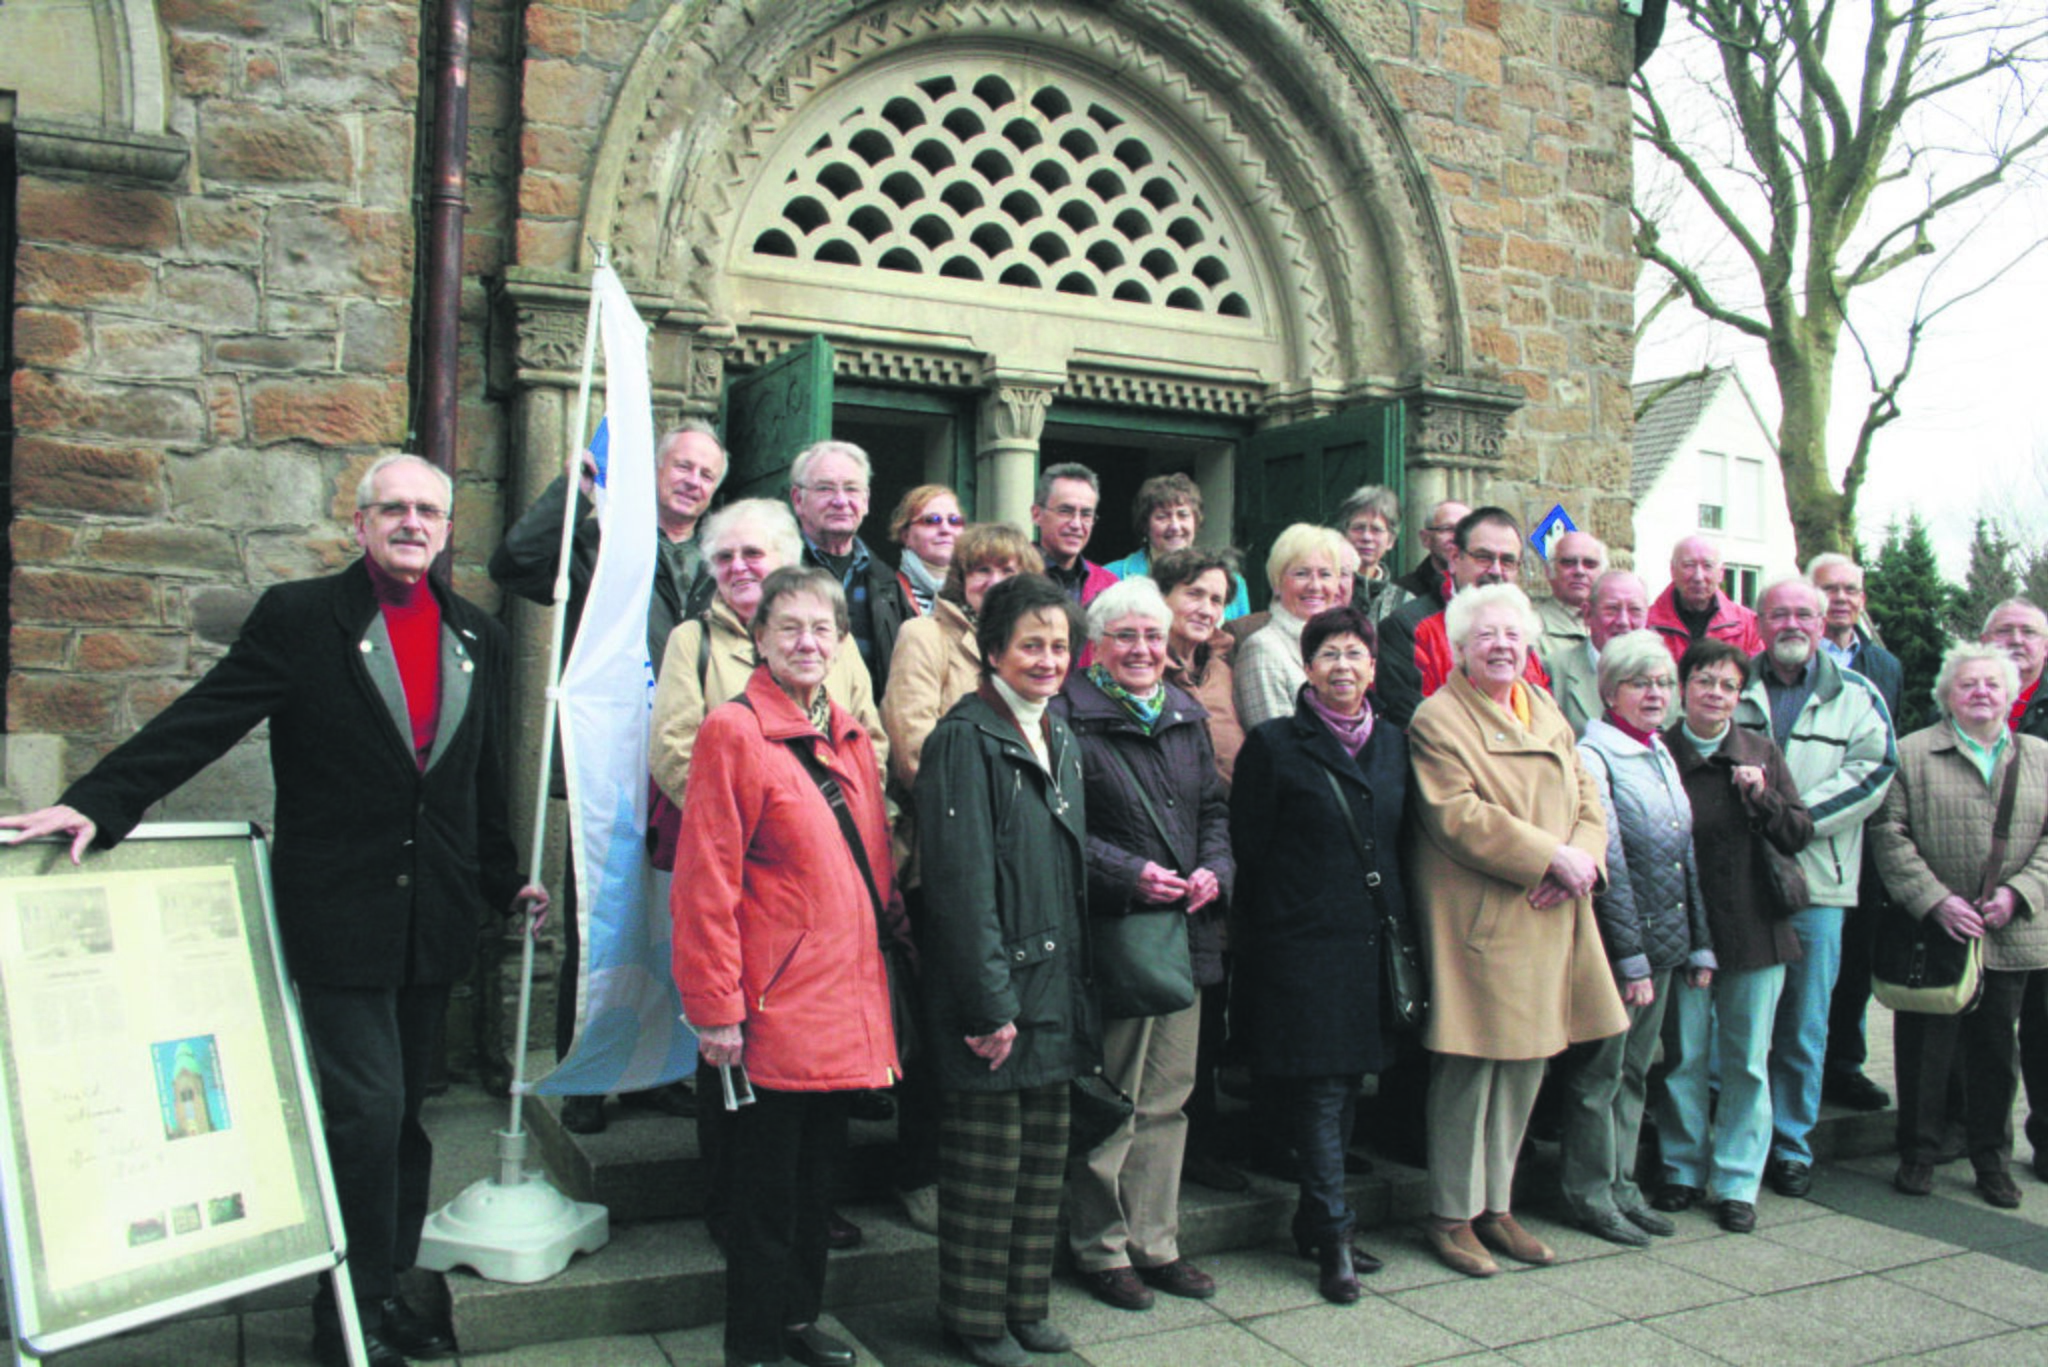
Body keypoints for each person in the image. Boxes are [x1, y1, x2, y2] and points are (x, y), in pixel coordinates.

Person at [1, 454, 548, 1367]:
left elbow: (479, 778)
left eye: (429, 510)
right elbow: (206, 716)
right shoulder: (302, 620)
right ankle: (344, 1313)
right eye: (394, 508)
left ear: (449, 528)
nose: (412, 522)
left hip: (434, 921)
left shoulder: (477, 637)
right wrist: (99, 801)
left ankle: (382, 1289)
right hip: (337, 913)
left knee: (408, 1115)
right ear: (361, 522)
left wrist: (505, 878)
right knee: (366, 1112)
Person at [671, 566, 905, 1367]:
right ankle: (754, 1346)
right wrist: (715, 1006)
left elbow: (871, 866)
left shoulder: (845, 733)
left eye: (823, 628)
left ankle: (798, 1323)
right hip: (770, 1006)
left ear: (842, 641)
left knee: (816, 1190)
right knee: (764, 1197)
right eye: (790, 628)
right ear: (760, 640)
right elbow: (706, 879)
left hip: (843, 999)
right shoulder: (733, 731)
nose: (808, 641)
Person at [648, 498, 886, 1252]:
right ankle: (734, 1211)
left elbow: (864, 736)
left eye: (756, 553)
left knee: (808, 1116)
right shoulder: (693, 641)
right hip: (748, 875)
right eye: (726, 557)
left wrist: (822, 824)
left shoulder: (824, 634)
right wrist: (760, 810)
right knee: (735, 1073)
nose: (741, 567)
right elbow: (678, 746)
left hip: (823, 879)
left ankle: (794, 1227)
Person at [489, 422, 726, 1125]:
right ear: (653, 470)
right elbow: (514, 563)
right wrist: (576, 488)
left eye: (706, 473)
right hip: (612, 763)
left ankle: (655, 1070)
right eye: (681, 466)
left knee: (673, 924)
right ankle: (589, 1077)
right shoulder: (603, 540)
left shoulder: (721, 559)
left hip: (685, 767)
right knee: (602, 918)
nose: (693, 480)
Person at [1406, 582, 1625, 1278]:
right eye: (1487, 635)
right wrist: (1548, 857)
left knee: (1527, 1064)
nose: (1502, 645)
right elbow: (1459, 816)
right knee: (1471, 1070)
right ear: (1460, 647)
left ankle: (1495, 1205)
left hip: (1553, 907)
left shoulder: (1545, 706)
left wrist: (1582, 859)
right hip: (1488, 917)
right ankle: (1449, 1214)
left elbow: (1588, 795)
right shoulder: (1438, 719)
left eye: (1513, 634)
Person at [916, 574, 1097, 1367]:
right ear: (992, 650)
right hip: (994, 993)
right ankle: (975, 1319)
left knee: (1040, 1164)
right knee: (987, 1173)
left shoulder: (1059, 734)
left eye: (1059, 644)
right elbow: (958, 886)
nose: (1048, 659)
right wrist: (990, 1005)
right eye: (1031, 644)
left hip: (1053, 988)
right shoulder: (963, 737)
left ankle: (1026, 1305)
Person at [1059, 579, 1233, 1311]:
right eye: (1125, 636)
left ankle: (1154, 1241)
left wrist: (1215, 870)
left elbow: (1216, 809)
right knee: (1116, 1100)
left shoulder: (1187, 713)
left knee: (1169, 1097)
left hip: (1186, 933)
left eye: (1153, 636)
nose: (1141, 649)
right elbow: (1061, 821)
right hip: (1122, 935)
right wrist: (1129, 874)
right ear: (1097, 644)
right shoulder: (1071, 716)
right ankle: (1098, 1247)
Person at [1231, 604, 1411, 1304]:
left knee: (1345, 1090)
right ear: (1306, 667)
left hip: (1370, 941)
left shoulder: (1394, 742)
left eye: (1355, 654)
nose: (1343, 666)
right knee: (1321, 1089)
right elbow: (1252, 846)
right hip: (1301, 946)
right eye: (1328, 653)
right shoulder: (1275, 744)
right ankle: (1333, 1234)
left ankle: (1317, 1220)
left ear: (1373, 666)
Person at [880, 522, 1042, 1232]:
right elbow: (911, 744)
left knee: (1002, 1018)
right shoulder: (926, 636)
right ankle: (917, 1169)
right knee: (945, 1017)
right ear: (959, 579)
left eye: (1010, 568)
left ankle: (983, 1171)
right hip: (945, 854)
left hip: (1022, 866)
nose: (994, 579)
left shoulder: (1036, 641)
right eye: (981, 569)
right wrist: (992, 802)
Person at [1871, 642, 2048, 1209]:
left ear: (2013, 692)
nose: (1981, 693)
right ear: (1947, 695)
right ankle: (1918, 1154)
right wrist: (1935, 901)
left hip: (2008, 932)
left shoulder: (2040, 757)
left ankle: (1990, 1160)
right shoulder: (1911, 753)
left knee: (1996, 1053)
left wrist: (2019, 895)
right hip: (1934, 931)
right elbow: (1888, 835)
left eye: (1993, 684)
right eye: (1968, 684)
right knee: (1926, 1046)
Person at [1735, 575, 1896, 1200]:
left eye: (1805, 613)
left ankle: (1793, 1144)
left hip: (1818, 886)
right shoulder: (1730, 684)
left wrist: (1788, 819)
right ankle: (1739, 1139)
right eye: (1779, 614)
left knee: (1804, 1024)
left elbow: (1874, 772)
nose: (1793, 624)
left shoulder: (1858, 696)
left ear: (1824, 619)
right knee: (1742, 1023)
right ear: (1760, 621)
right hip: (1740, 885)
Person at [1557, 630, 1712, 1247]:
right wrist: (1630, 957)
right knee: (1600, 1074)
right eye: (1640, 682)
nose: (1655, 694)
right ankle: (1588, 1193)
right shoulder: (1595, 756)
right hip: (1622, 950)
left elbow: (1683, 854)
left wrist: (1698, 941)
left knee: (1636, 1074)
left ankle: (1624, 1187)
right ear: (1608, 690)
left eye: (1664, 683)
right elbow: (1610, 865)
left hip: (1665, 946)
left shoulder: (1659, 752)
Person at [1653, 637, 1812, 1234]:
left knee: (1746, 1059)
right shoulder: (1660, 751)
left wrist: (1760, 793)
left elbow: (1799, 832)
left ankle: (1738, 1180)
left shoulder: (1761, 751)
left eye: (1728, 686)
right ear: (1682, 686)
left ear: (1739, 696)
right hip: (1683, 926)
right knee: (1684, 1056)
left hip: (1753, 926)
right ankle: (1681, 1168)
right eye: (1704, 682)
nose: (1715, 695)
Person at [1151, 547, 1249, 1192]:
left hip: (1224, 851)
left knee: (1212, 1008)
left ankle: (1202, 1142)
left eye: (1215, 598)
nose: (1204, 607)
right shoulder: (1140, 663)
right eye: (1192, 592)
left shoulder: (1223, 669)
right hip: (1161, 855)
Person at [1808, 552, 1905, 1116]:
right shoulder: (1786, 659)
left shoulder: (1884, 665)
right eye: (1830, 589)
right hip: (1803, 826)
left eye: (1851, 589)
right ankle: (1794, 1062)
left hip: (1862, 831)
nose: (1841, 598)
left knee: (1857, 952)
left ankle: (1843, 1063)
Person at [1376, 507, 1550, 730]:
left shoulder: (1522, 633)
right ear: (1455, 558)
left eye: (1507, 561)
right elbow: (1414, 724)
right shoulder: (1409, 627)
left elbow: (1544, 716)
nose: (1496, 570)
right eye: (1484, 557)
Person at [790, 440, 908, 695]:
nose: (841, 501)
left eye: (852, 489)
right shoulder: (778, 573)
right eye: (825, 489)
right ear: (798, 500)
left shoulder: (887, 582)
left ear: (865, 501)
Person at [1232, 524, 1358, 730]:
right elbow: (1275, 749)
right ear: (1276, 584)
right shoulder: (1263, 650)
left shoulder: (1342, 645)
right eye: (1301, 574)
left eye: (1325, 574)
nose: (1315, 586)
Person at [1100, 473, 1252, 619]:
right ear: (1145, 525)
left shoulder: (1231, 581)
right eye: (1162, 516)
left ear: (1196, 521)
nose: (1175, 526)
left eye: (1183, 515)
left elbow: (1239, 639)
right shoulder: (1110, 576)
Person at [1550, 570, 1649, 738]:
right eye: (1612, 609)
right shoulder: (1553, 671)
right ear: (1588, 614)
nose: (1623, 621)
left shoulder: (1665, 675)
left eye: (1634, 610)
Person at [1647, 535, 1763, 662]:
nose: (1698, 577)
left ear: (1721, 573)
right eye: (1689, 565)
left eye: (1707, 566)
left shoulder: (1749, 627)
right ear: (1672, 570)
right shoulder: (1647, 624)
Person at [1029, 462, 1116, 606]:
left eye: (1086, 514)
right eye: (1065, 511)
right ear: (1037, 514)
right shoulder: (1012, 574)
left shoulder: (1109, 585)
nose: (1076, 524)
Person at [1333, 484, 1412, 622]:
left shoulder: (1405, 602)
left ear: (1391, 541)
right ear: (1344, 535)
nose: (1367, 537)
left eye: (1376, 529)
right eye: (1358, 528)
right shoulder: (1326, 590)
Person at [889, 484, 964, 618]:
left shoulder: (976, 594)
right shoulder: (882, 595)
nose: (946, 529)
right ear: (905, 535)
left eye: (954, 520)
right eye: (931, 520)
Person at [1535, 530, 1604, 673]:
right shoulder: (1532, 626)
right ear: (1549, 571)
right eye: (1568, 563)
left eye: (1589, 564)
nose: (1579, 571)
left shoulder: (1617, 623)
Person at [1984, 598, 2048, 740]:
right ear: (1983, 642)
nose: (2016, 640)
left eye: (2029, 632)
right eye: (2004, 631)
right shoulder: (1953, 706)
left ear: (2046, 647)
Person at [1394, 497, 1469, 608]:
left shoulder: (1488, 589)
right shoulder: (1401, 595)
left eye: (1465, 529)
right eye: (1447, 528)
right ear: (1426, 539)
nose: (1456, 537)